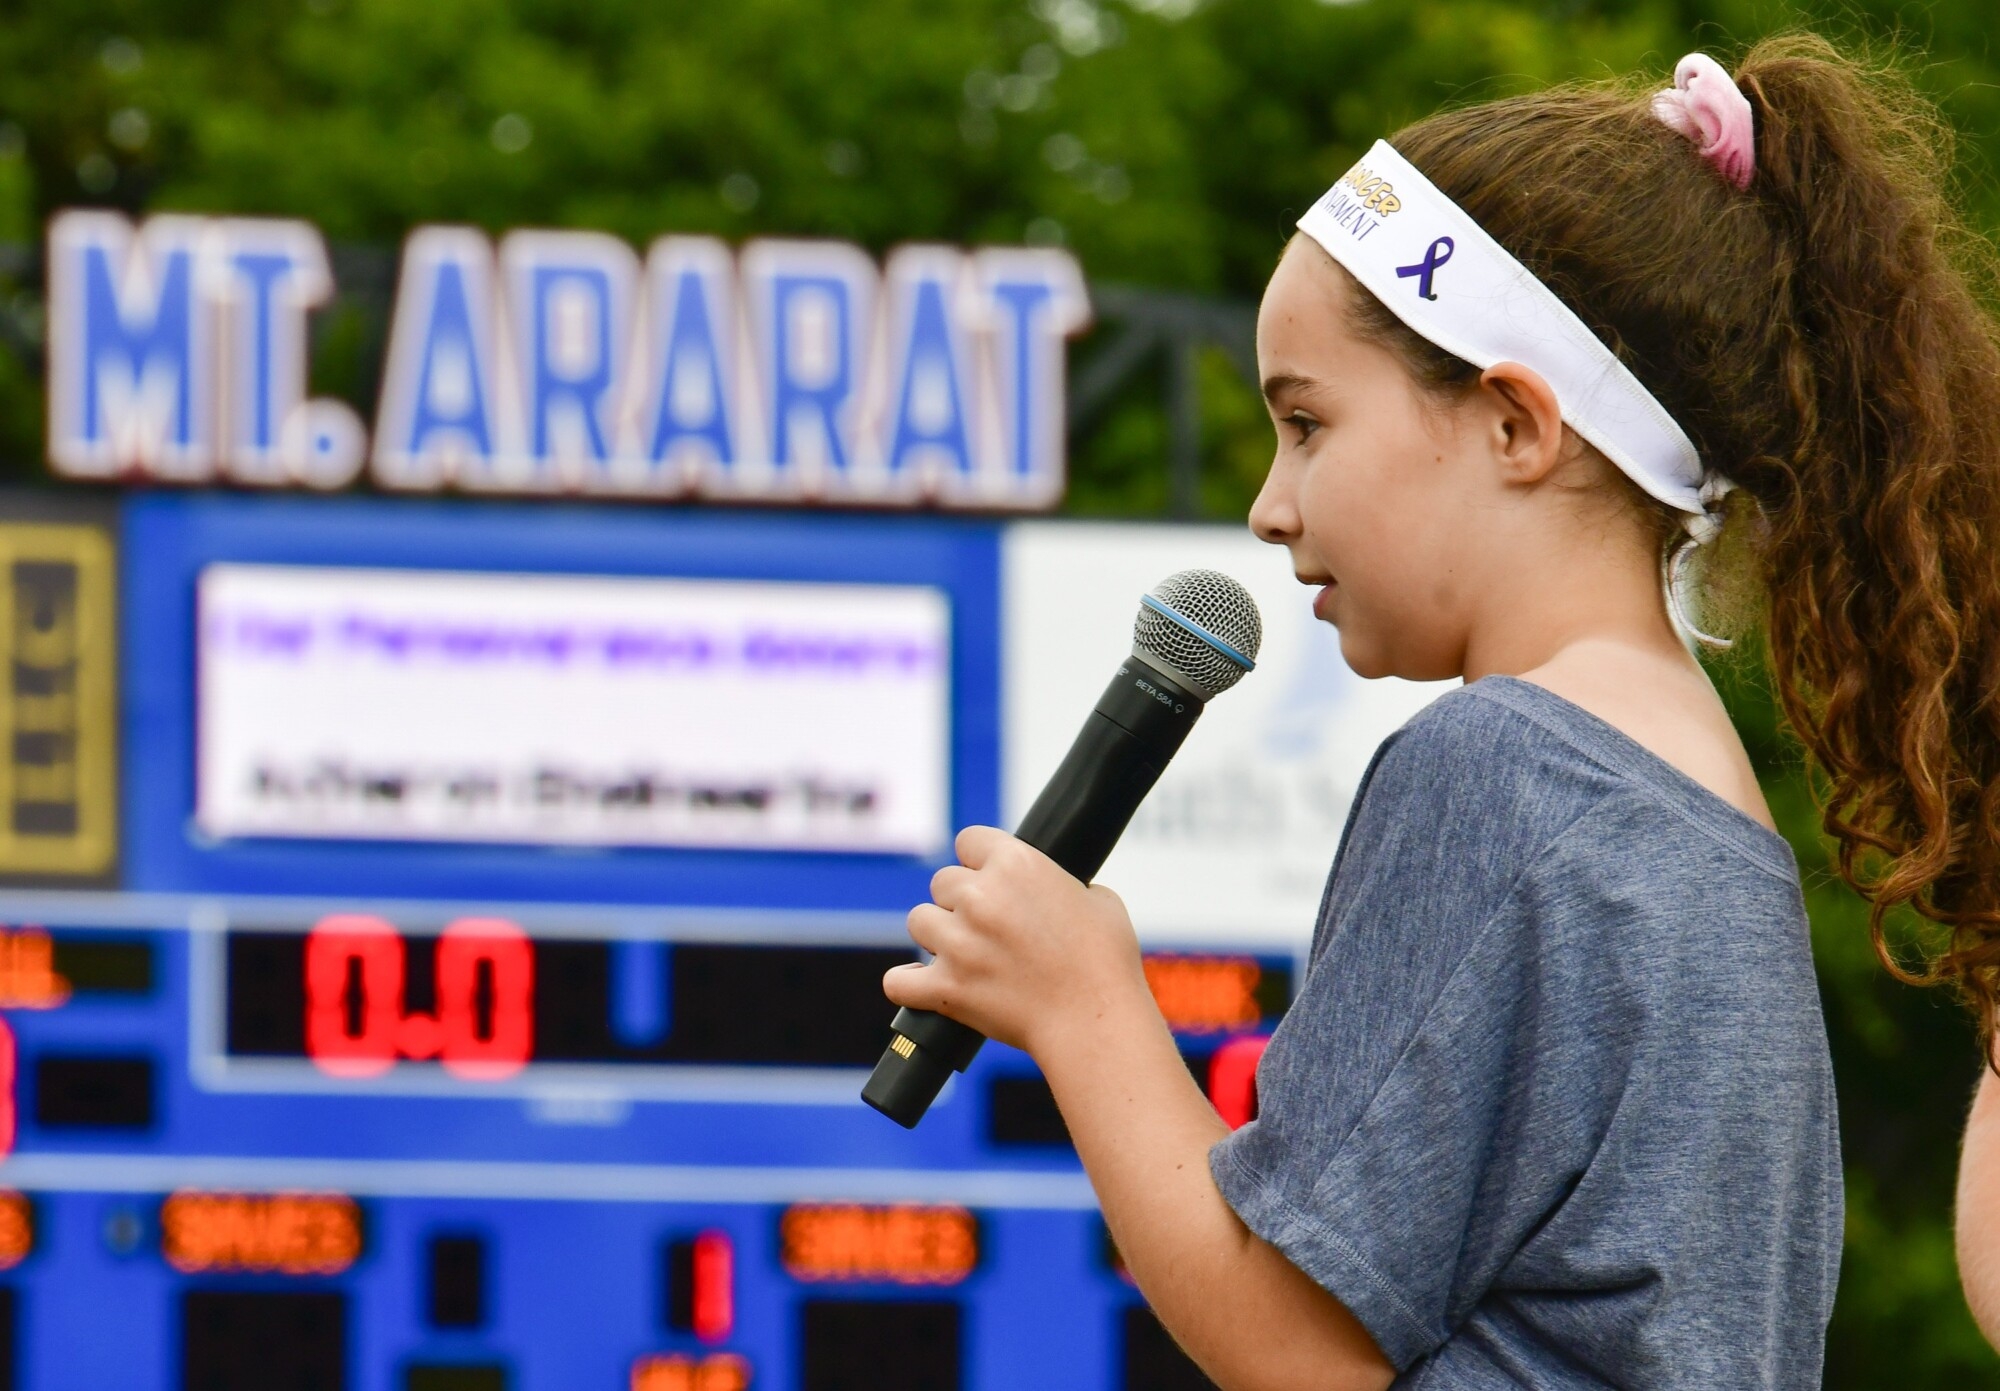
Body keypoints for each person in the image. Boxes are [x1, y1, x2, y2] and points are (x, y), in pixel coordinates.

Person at [884, 34, 2000, 1388]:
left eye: (1308, 423)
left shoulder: (1502, 771)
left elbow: (1299, 1350)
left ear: (1518, 424)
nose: (1270, 504)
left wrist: (1082, 1004)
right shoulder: (1712, 808)